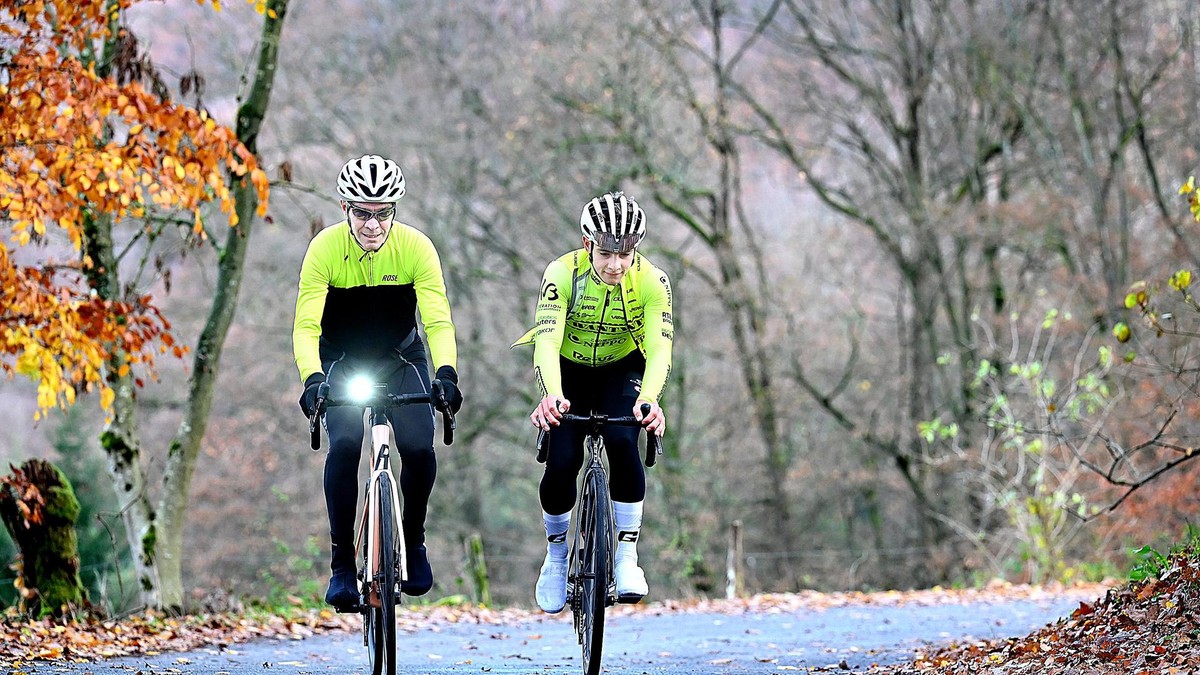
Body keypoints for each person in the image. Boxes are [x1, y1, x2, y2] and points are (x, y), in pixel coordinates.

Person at [292, 154, 463, 607]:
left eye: (382, 213)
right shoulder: (325, 249)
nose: (372, 224)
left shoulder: (416, 247)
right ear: (345, 208)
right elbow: (306, 326)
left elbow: (438, 321)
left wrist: (446, 373)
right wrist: (312, 380)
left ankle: (414, 538)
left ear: (395, 211)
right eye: (363, 213)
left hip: (400, 356)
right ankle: (343, 563)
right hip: (342, 360)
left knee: (420, 448)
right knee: (346, 446)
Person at [512, 191, 673, 613]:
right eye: (605, 253)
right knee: (563, 458)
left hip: (623, 368)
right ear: (588, 245)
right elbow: (546, 341)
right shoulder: (562, 273)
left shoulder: (653, 281)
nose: (615, 264)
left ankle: (625, 555)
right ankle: (557, 555)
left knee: (623, 440)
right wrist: (551, 394)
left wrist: (650, 400)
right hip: (569, 368)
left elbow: (660, 349)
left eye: (624, 254)